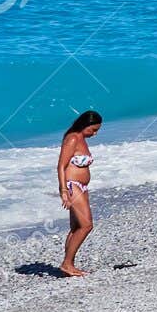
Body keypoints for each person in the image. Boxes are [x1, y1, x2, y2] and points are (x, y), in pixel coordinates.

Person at [57, 110, 102, 277]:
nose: (95, 134)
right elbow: (61, 166)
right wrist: (63, 191)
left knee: (76, 227)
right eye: (93, 130)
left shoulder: (82, 139)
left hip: (82, 187)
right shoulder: (73, 138)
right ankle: (67, 264)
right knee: (87, 225)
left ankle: (68, 265)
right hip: (72, 186)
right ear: (84, 125)